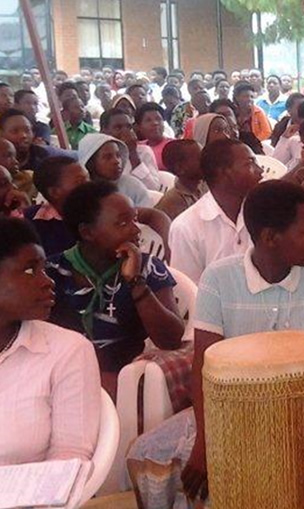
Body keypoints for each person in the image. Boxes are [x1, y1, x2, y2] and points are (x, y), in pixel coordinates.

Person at [127, 180, 304, 506]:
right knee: (148, 451)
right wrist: (205, 445)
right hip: (235, 408)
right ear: (270, 239)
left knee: (263, 468)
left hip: (303, 409)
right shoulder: (220, 278)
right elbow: (203, 366)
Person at [47, 180, 185, 394]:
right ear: (87, 232)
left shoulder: (148, 267)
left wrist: (136, 282)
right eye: (122, 224)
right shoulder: (53, 273)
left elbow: (171, 339)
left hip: (130, 374)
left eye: (135, 219)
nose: (136, 230)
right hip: (66, 374)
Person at [0, 217, 101, 466]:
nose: (47, 281)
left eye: (43, 268)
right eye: (29, 270)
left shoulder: (67, 351)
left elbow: (69, 456)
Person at [169, 138, 261, 283]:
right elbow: (190, 290)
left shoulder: (262, 212)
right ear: (224, 173)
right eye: (250, 163)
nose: (260, 171)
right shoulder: (186, 227)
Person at [25, 156, 88, 256]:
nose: (89, 185)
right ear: (54, 192)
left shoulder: (101, 212)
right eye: (80, 182)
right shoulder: (30, 222)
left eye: (88, 178)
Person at [77, 133, 155, 208]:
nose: (116, 161)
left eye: (118, 155)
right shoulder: (83, 195)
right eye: (108, 157)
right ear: (90, 163)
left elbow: (148, 216)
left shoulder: (132, 185)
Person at [100, 109, 166, 193]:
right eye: (118, 127)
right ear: (104, 132)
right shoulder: (98, 155)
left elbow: (154, 188)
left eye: (128, 127)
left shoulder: (143, 151)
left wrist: (133, 154)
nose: (125, 132)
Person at [155, 139, 207, 220]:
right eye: (200, 158)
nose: (206, 161)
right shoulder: (171, 203)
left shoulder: (207, 186)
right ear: (180, 168)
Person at [135, 102, 173, 170]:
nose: (155, 123)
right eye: (148, 120)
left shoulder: (174, 145)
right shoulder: (137, 149)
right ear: (139, 127)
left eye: (158, 119)